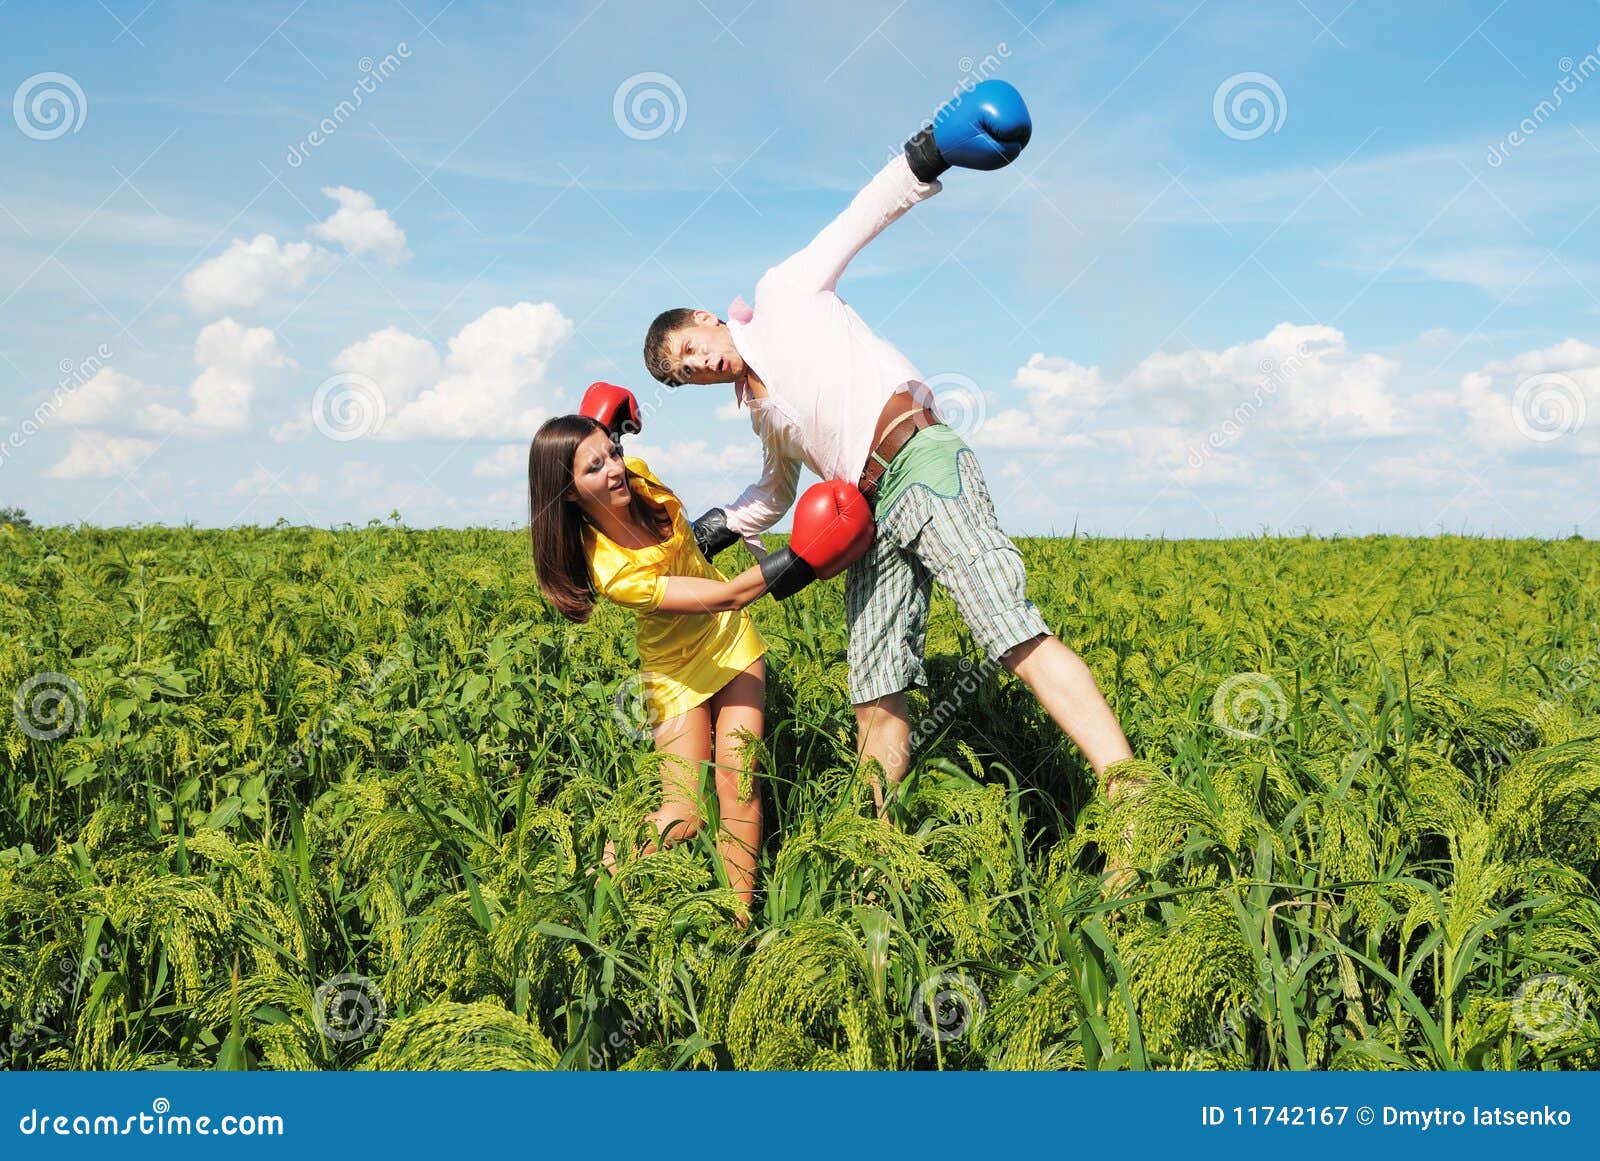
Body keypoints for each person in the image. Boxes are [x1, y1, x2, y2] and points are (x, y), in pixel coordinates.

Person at [639, 81, 1147, 894]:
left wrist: (930, 149)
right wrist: (715, 528)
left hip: (918, 460)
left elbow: (860, 214)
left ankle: (1132, 804)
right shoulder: (763, 413)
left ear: (705, 318)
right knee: (874, 684)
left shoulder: (783, 293)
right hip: (862, 516)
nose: (697, 367)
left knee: (1009, 632)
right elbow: (773, 493)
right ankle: (884, 865)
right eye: (683, 375)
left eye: (687, 349)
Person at [526, 383, 873, 921]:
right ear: (568, 492)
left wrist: (608, 427)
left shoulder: (632, 472)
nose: (614, 469)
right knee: (684, 815)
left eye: (612, 454)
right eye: (593, 469)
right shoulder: (613, 570)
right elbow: (723, 595)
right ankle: (591, 883)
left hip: (731, 643)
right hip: (673, 671)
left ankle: (737, 921)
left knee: (740, 780)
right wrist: (803, 558)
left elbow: (701, 560)